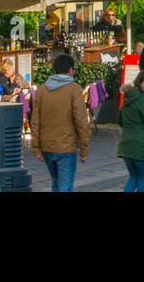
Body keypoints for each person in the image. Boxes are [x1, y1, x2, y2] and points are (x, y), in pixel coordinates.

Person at [30, 53, 90, 192]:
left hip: (47, 146)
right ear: (70, 70)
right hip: (66, 146)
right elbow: (81, 120)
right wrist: (84, 148)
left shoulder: (41, 90)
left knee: (56, 184)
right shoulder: (74, 89)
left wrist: (36, 147)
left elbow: (35, 121)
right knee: (64, 187)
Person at [117, 69, 144, 192]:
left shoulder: (128, 97)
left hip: (125, 145)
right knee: (142, 178)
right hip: (140, 146)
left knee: (133, 177)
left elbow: (119, 119)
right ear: (139, 83)